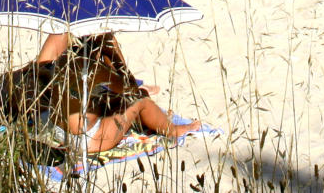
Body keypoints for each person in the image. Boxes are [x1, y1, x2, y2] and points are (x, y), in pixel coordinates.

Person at [31, 32, 202, 153]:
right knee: (140, 102)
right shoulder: (93, 68)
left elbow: (35, 78)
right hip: (87, 141)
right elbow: (130, 91)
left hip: (50, 124)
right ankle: (173, 130)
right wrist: (112, 52)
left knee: (102, 98)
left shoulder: (60, 53)